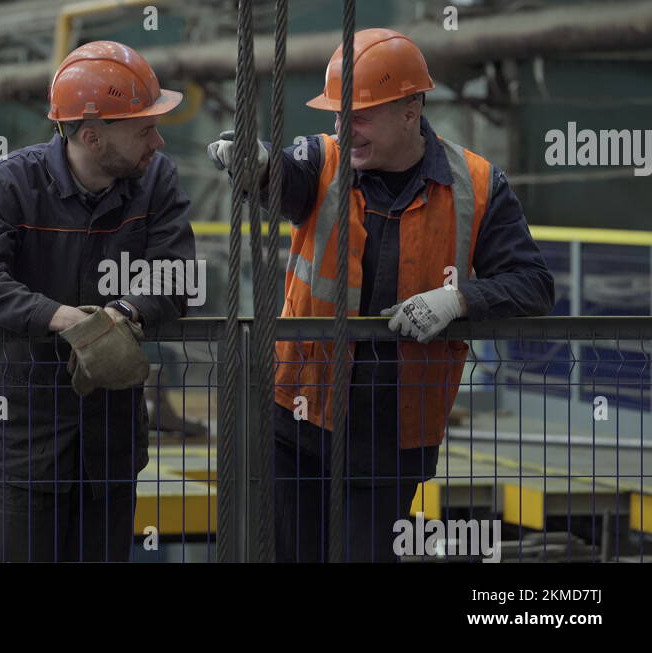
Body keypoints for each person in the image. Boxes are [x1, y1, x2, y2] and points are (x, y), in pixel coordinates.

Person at [208, 28, 554, 562]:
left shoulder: (477, 186)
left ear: (411, 109)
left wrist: (458, 300)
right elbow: (288, 178)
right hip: (296, 418)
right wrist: (257, 168)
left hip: (394, 435)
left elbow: (533, 285)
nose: (344, 131)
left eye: (360, 116)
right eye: (338, 116)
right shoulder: (320, 160)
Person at [0, 40, 195, 562]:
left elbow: (177, 276)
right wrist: (67, 321)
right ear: (92, 136)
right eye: (144, 129)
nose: (157, 140)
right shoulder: (8, 185)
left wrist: (122, 314)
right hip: (23, 439)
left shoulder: (156, 180)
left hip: (109, 440)